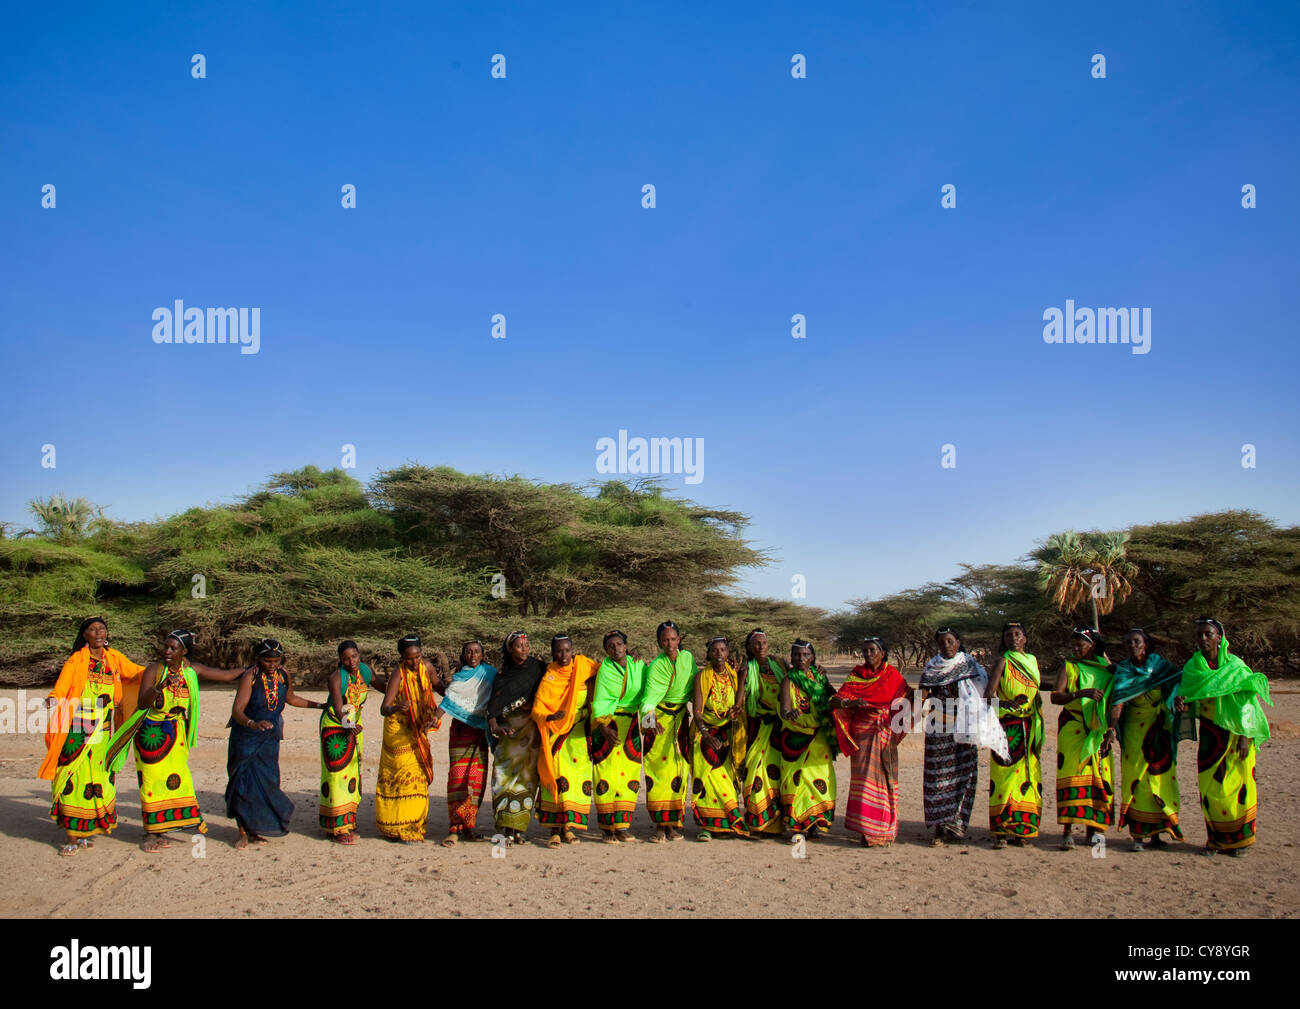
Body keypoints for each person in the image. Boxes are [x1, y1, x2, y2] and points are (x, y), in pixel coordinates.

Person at [108, 630, 245, 853]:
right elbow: (143, 703)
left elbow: (225, 675)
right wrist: (161, 686)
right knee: (151, 782)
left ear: (184, 651)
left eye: (173, 648)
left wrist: (254, 668)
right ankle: (150, 833)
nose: (167, 651)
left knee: (173, 781)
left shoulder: (190, 670)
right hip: (151, 733)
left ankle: (162, 828)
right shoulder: (155, 670)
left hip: (176, 734)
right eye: (166, 647)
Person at [40, 617, 146, 854]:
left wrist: (166, 668)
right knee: (71, 778)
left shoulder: (114, 658)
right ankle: (71, 837)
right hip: (77, 728)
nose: (98, 632)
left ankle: (87, 831)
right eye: (92, 629)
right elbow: (62, 686)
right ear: (84, 635)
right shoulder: (76, 660)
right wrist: (53, 697)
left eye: (102, 628)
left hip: (104, 731)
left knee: (99, 780)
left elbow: (138, 673)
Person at [1170, 617, 1272, 857]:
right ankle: (1215, 840)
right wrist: (1182, 706)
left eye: (1208, 634)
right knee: (1210, 789)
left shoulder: (1235, 667)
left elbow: (1246, 705)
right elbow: (1190, 702)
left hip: (1236, 735)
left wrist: (1245, 737)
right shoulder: (1193, 668)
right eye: (1199, 635)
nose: (1203, 639)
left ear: (1220, 637)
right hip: (1209, 736)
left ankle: (1240, 842)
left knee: (1238, 788)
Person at [227, 638, 326, 848]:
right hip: (247, 736)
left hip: (270, 736)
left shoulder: (282, 675)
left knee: (268, 781)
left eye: (276, 660)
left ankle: (257, 828)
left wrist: (319, 705)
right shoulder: (250, 676)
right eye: (267, 661)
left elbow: (291, 698)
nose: (272, 665)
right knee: (244, 783)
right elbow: (238, 709)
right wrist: (252, 723)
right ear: (258, 659)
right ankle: (243, 831)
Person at [1108, 628, 1183, 851]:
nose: (1132, 645)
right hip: (1133, 731)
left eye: (1136, 641)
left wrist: (1180, 701)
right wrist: (1112, 728)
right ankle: (1138, 835)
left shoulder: (1160, 666)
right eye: (1128, 641)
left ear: (1146, 644)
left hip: (1160, 727)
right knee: (1136, 778)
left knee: (1160, 778)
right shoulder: (1123, 670)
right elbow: (1118, 701)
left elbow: (1179, 682)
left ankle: (1158, 833)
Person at [831, 636, 908, 847]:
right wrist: (850, 702)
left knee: (885, 777)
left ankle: (883, 830)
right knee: (865, 780)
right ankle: (867, 830)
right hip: (862, 734)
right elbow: (835, 700)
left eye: (872, 650)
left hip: (885, 732)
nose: (868, 654)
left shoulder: (892, 675)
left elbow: (907, 700)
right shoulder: (856, 676)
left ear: (882, 653)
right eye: (864, 650)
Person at [1051, 627, 1115, 850]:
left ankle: (1093, 829)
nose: (1076, 649)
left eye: (1081, 645)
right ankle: (1067, 830)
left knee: (1096, 775)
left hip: (1098, 729)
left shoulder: (1107, 669)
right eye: (1074, 645)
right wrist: (1081, 694)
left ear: (1093, 646)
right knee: (1071, 772)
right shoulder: (1069, 667)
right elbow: (1055, 697)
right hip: (1073, 725)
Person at [532, 634, 599, 847]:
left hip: (579, 735)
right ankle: (554, 829)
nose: (563, 655)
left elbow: (606, 671)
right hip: (556, 735)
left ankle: (569, 828)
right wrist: (549, 717)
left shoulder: (583, 667)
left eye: (567, 650)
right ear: (552, 652)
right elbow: (538, 708)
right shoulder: (550, 676)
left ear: (573, 651)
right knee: (558, 779)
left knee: (577, 780)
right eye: (559, 651)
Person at [919, 628, 985, 845]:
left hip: (965, 727)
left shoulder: (970, 666)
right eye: (941, 642)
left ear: (958, 642)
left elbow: (984, 692)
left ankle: (956, 825)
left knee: (964, 775)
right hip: (939, 729)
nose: (946, 645)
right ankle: (939, 828)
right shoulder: (932, 667)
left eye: (950, 641)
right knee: (938, 778)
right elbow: (923, 695)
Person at [374, 634, 442, 844]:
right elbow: (384, 708)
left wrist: (459, 693)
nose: (414, 662)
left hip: (418, 728)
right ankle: (397, 827)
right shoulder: (398, 674)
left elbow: (441, 688)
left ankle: (415, 824)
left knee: (419, 777)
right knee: (403, 778)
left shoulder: (427, 667)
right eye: (409, 658)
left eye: (417, 657)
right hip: (399, 732)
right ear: (402, 657)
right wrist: (397, 707)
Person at [984, 622, 1045, 847]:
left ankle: (1023, 829)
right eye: (1008, 635)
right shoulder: (1003, 661)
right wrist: (1008, 704)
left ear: (1025, 638)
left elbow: (1036, 691)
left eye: (1017, 634)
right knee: (1004, 776)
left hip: (1030, 725)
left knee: (1029, 776)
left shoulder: (1032, 661)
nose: (1013, 638)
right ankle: (1001, 831)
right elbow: (988, 695)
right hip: (1006, 726)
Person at [640, 621, 698, 842]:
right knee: (658, 771)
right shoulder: (656, 666)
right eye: (665, 640)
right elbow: (648, 700)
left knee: (680, 771)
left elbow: (694, 686)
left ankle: (674, 824)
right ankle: (659, 825)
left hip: (681, 719)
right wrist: (650, 721)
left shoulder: (688, 659)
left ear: (679, 639)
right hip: (660, 720)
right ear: (659, 642)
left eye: (673, 639)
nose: (670, 643)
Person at [487, 630, 547, 842]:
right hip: (508, 733)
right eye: (519, 646)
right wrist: (495, 726)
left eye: (526, 645)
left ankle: (518, 828)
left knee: (527, 779)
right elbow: (493, 708)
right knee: (503, 777)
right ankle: (505, 827)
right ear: (510, 649)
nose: (524, 649)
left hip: (530, 730)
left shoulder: (538, 667)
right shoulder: (503, 674)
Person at [437, 639, 497, 846]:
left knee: (476, 780)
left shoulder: (489, 674)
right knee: (458, 778)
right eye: (469, 652)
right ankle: (454, 827)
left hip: (480, 732)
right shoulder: (460, 677)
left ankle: (469, 825)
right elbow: (448, 701)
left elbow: (497, 697)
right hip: (461, 732)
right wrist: (435, 717)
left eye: (477, 652)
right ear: (463, 656)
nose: (473, 655)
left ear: (482, 654)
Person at [690, 636, 749, 841]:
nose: (719, 654)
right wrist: (705, 735)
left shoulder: (733, 675)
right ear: (708, 654)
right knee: (708, 777)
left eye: (723, 650)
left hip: (728, 732)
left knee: (728, 778)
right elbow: (697, 711)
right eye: (714, 650)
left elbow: (739, 701)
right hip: (705, 730)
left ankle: (725, 823)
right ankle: (706, 826)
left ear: (728, 652)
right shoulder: (701, 677)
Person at [778, 639, 837, 842]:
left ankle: (815, 824)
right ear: (791, 657)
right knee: (797, 781)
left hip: (819, 737)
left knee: (819, 779)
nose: (801, 659)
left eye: (805, 655)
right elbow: (785, 708)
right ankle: (797, 824)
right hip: (795, 737)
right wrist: (789, 714)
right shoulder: (788, 680)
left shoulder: (819, 677)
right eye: (796, 655)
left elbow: (833, 696)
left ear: (812, 657)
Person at [319, 640, 378, 845]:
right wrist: (348, 724)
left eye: (354, 656)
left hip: (355, 725)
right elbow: (337, 707)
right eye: (346, 658)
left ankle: (345, 822)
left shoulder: (365, 671)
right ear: (340, 660)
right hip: (336, 727)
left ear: (359, 655)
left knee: (352, 773)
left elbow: (382, 686)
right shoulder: (337, 677)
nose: (351, 661)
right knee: (337, 775)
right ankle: (339, 828)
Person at [590, 630, 646, 843]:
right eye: (611, 646)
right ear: (606, 650)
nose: (616, 648)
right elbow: (600, 700)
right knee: (606, 775)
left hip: (631, 724)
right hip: (608, 725)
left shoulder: (638, 665)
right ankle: (607, 828)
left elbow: (649, 691)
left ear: (626, 645)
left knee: (629, 775)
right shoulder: (605, 669)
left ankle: (622, 826)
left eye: (619, 644)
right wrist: (603, 728)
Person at [740, 628, 786, 837]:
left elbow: (798, 679)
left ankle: (775, 825)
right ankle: (757, 822)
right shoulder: (746, 669)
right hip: (756, 727)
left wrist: (817, 669)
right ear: (749, 647)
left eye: (764, 643)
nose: (761, 647)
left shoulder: (780, 665)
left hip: (778, 728)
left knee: (775, 775)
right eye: (756, 644)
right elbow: (740, 700)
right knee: (754, 772)